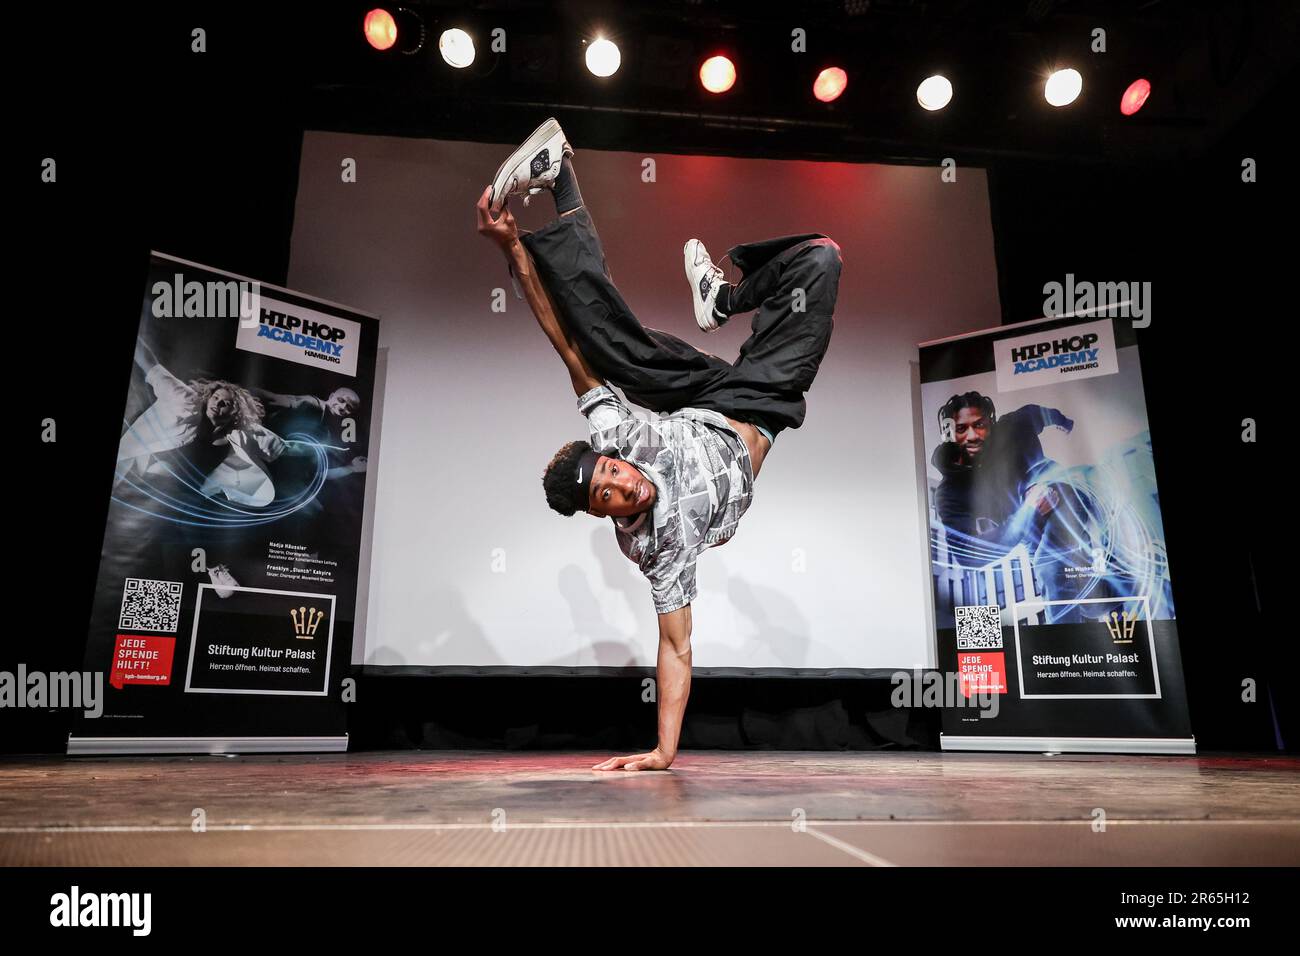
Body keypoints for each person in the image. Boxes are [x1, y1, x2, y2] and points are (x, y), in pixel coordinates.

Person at [477, 118, 843, 771]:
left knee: (597, 346)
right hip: (757, 403)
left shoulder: (623, 438)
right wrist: (663, 752)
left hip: (694, 399)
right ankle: (724, 294)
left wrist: (513, 250)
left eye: (611, 471)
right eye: (609, 496)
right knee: (821, 257)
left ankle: (567, 179)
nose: (623, 483)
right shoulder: (656, 549)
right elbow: (675, 646)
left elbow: (563, 342)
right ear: (605, 515)